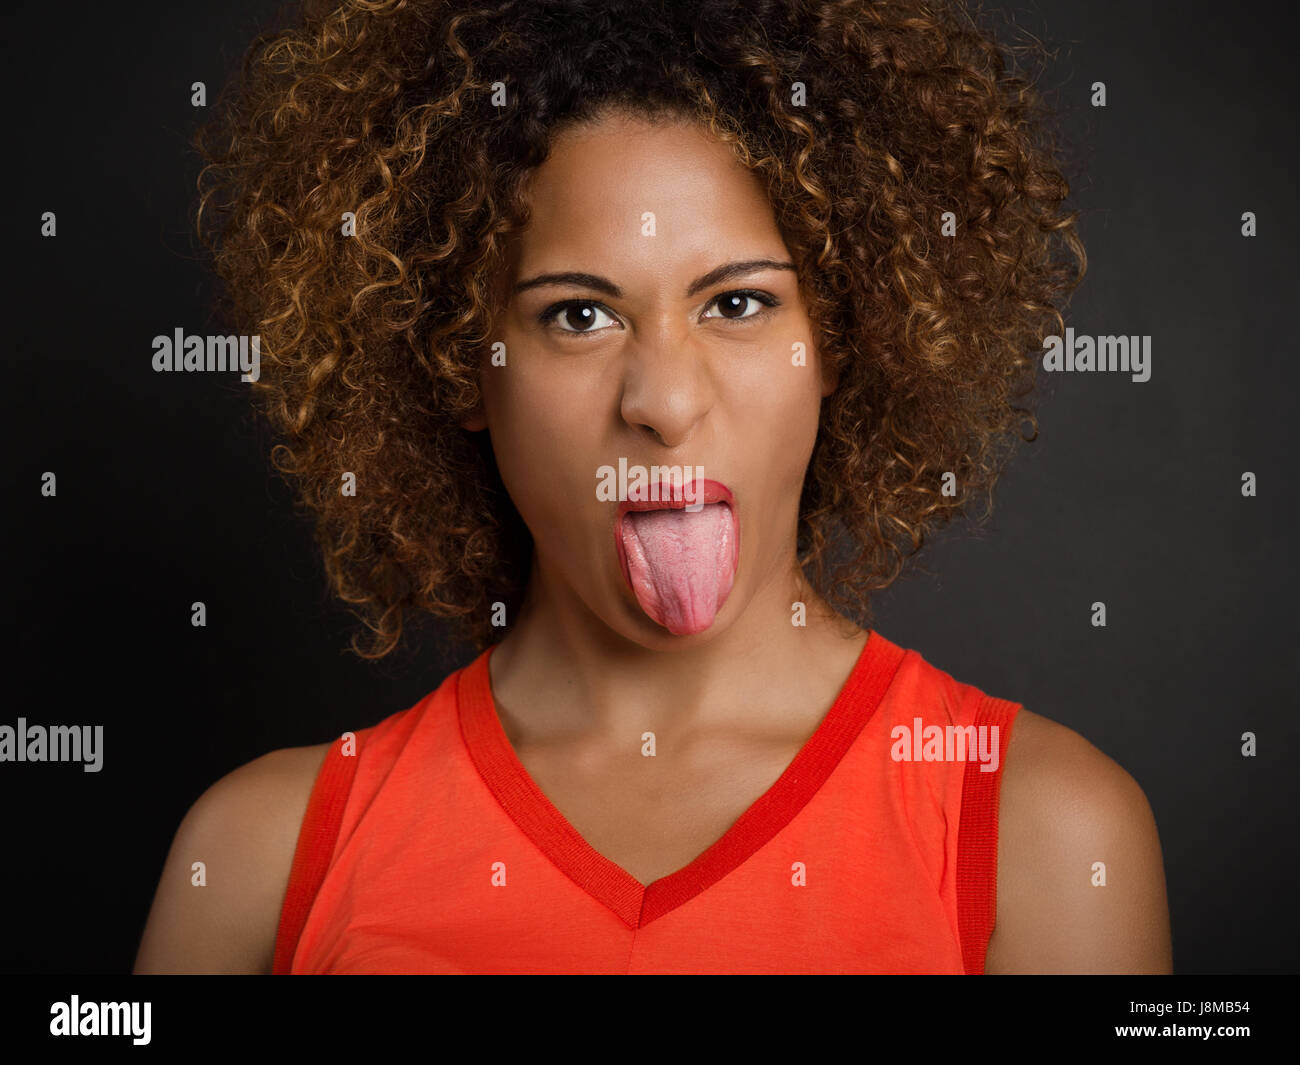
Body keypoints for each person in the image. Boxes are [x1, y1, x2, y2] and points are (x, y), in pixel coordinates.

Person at [134, 0, 1172, 974]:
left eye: (738, 302)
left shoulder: (1043, 829)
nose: (664, 401)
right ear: (460, 362)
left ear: (840, 343)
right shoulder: (261, 859)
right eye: (579, 315)